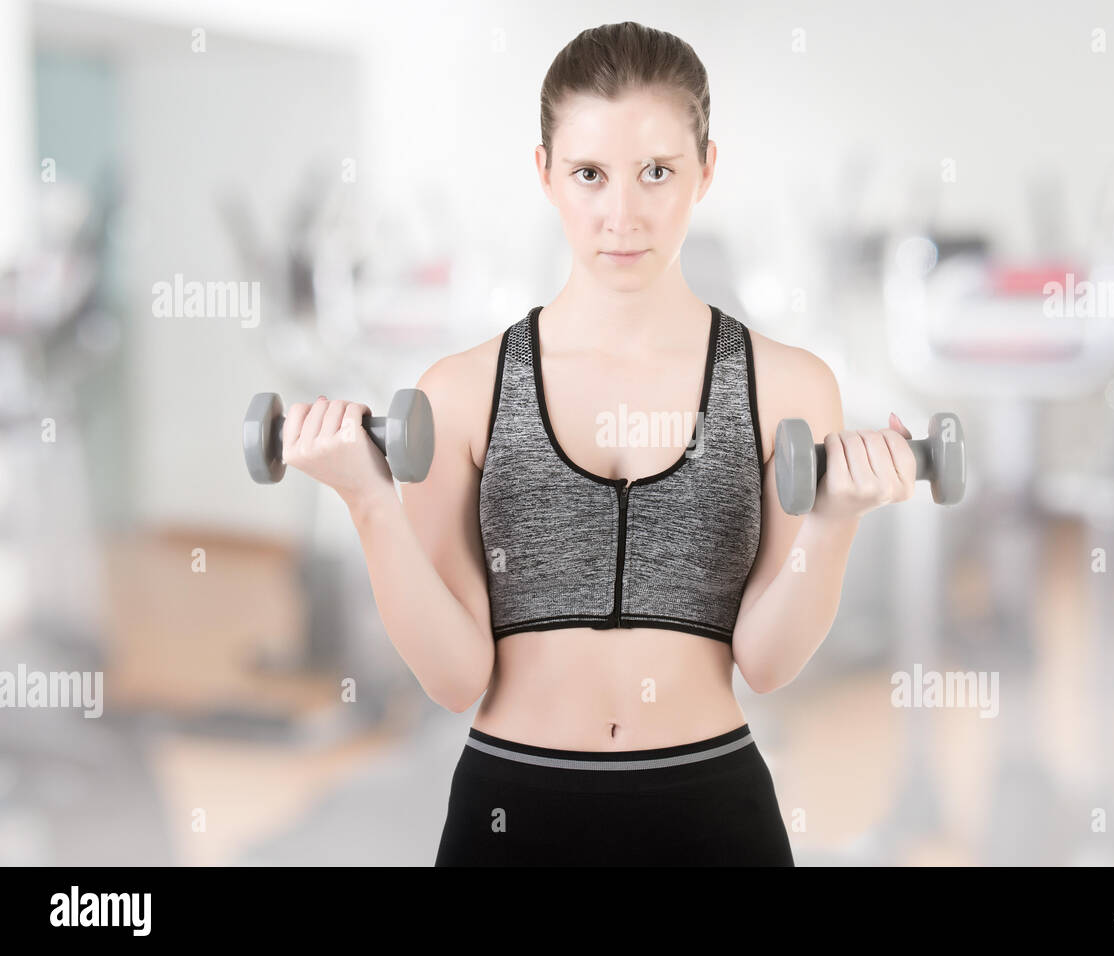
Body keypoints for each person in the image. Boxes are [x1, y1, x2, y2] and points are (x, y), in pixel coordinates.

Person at [280, 21, 916, 866]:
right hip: (514, 807)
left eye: (658, 171)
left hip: (712, 807)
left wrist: (834, 522)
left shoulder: (788, 387)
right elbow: (455, 676)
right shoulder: (462, 392)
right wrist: (368, 503)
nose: (623, 214)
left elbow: (766, 662)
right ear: (545, 174)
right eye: (590, 174)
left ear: (706, 171)